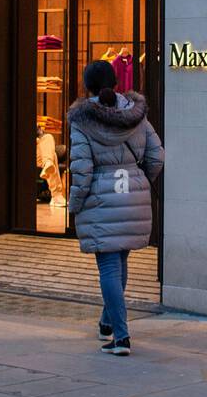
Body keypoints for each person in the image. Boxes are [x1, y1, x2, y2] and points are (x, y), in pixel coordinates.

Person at [67, 59, 163, 356]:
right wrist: (141, 180)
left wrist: (75, 204)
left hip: (101, 198)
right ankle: (107, 323)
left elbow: (81, 170)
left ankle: (121, 337)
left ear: (88, 86)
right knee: (120, 263)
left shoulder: (82, 120)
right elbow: (157, 157)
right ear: (116, 82)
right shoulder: (137, 115)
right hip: (133, 194)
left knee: (109, 266)